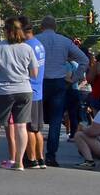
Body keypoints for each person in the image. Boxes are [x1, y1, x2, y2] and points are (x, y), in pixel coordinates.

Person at [0, 17, 39, 170]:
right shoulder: (27, 49)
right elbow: (34, 73)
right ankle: (19, 162)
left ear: (6, 31)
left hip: (2, 91)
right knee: (21, 126)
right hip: (24, 90)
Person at [35, 16, 89, 167]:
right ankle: (51, 155)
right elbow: (84, 60)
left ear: (41, 27)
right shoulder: (65, 42)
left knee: (35, 119)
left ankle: (33, 153)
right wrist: (74, 78)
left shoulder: (35, 41)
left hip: (40, 82)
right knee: (56, 120)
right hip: (59, 83)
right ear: (55, 27)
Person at [18, 15, 47, 169]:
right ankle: (41, 158)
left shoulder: (27, 47)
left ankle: (32, 158)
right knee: (37, 129)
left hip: (29, 90)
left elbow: (27, 70)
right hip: (39, 90)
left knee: (28, 128)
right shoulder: (39, 45)